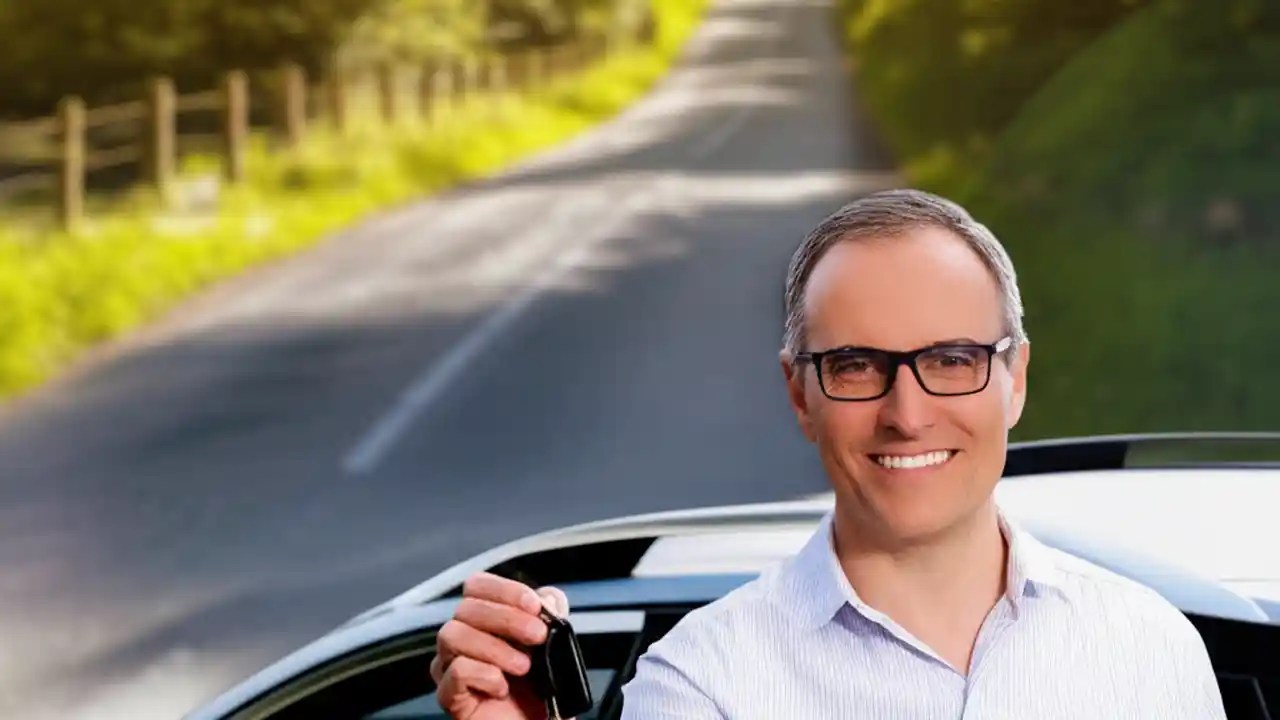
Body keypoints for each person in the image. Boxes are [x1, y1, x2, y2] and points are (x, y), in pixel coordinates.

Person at [429, 189, 1227, 719]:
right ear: (798, 394)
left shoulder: (1152, 651)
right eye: (856, 366)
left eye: (951, 359)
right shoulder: (703, 685)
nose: (907, 414)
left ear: (1014, 379)